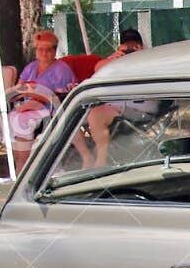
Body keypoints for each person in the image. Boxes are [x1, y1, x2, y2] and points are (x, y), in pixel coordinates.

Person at [76, 30, 149, 167]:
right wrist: (114, 59)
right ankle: (86, 156)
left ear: (142, 46)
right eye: (127, 47)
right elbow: (98, 68)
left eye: (135, 46)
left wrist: (139, 56)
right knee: (72, 116)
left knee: (96, 114)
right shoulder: (115, 60)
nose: (131, 50)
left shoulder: (148, 59)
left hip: (138, 108)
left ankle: (101, 162)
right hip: (115, 106)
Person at [18, 29, 77, 97]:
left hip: (51, 106)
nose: (44, 53)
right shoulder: (31, 67)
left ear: (54, 52)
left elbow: (59, 98)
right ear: (36, 50)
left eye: (48, 50)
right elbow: (18, 89)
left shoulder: (62, 70)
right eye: (40, 49)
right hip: (27, 105)